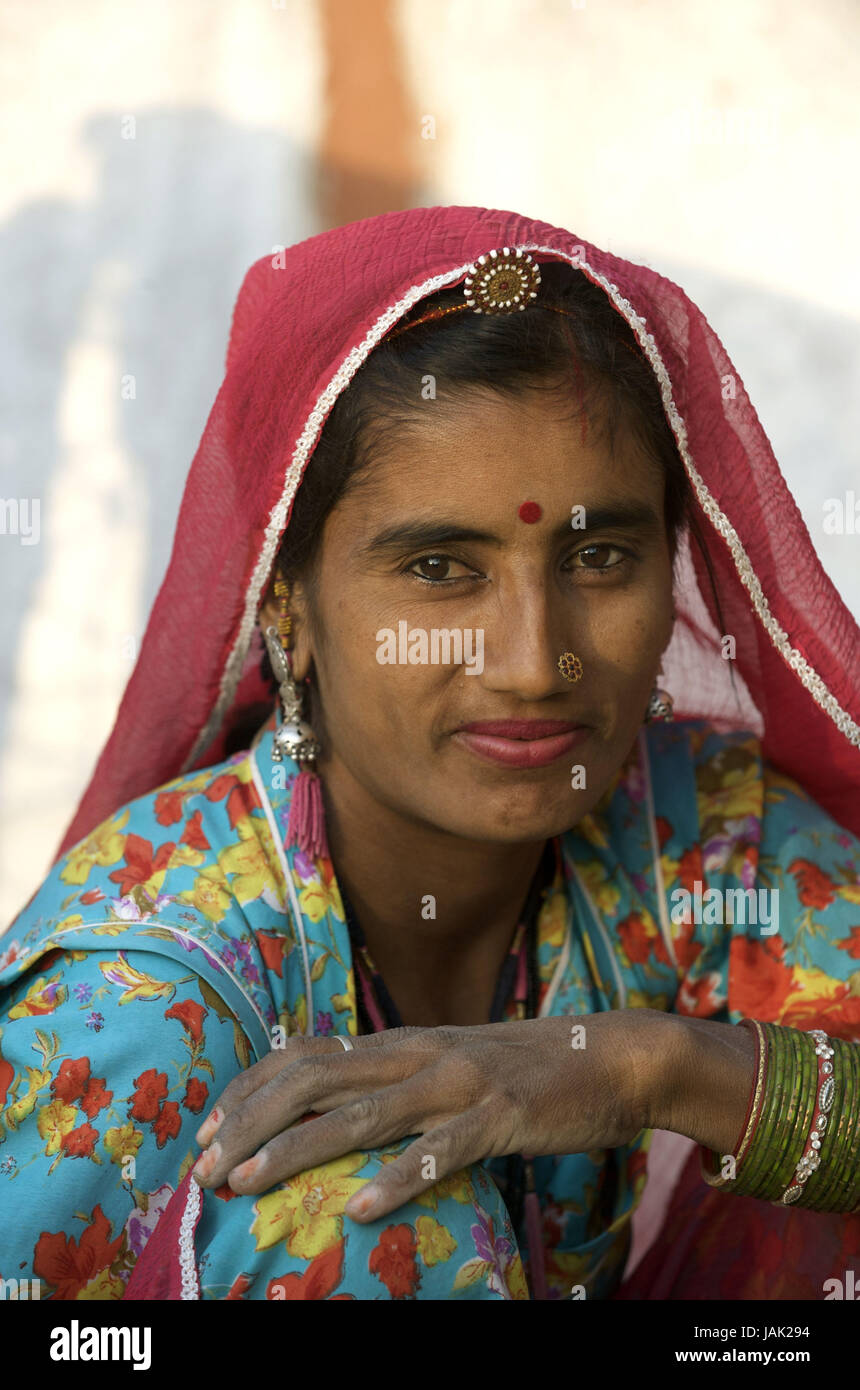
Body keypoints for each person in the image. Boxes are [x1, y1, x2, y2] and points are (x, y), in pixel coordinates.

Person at [1, 206, 858, 1302]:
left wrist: (652, 1064)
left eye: (597, 555)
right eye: (441, 570)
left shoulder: (692, 827)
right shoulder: (139, 1007)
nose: (533, 662)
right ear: (288, 606)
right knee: (367, 1214)